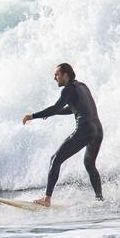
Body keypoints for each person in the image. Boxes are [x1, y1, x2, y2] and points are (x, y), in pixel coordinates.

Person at [21, 62, 104, 205]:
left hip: (84, 129)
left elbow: (55, 107)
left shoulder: (67, 90)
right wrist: (54, 112)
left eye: (56, 75)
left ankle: (47, 199)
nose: (55, 78)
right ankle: (99, 198)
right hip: (97, 129)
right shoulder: (82, 86)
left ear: (65, 75)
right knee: (89, 164)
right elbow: (73, 108)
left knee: (55, 159)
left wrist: (33, 116)